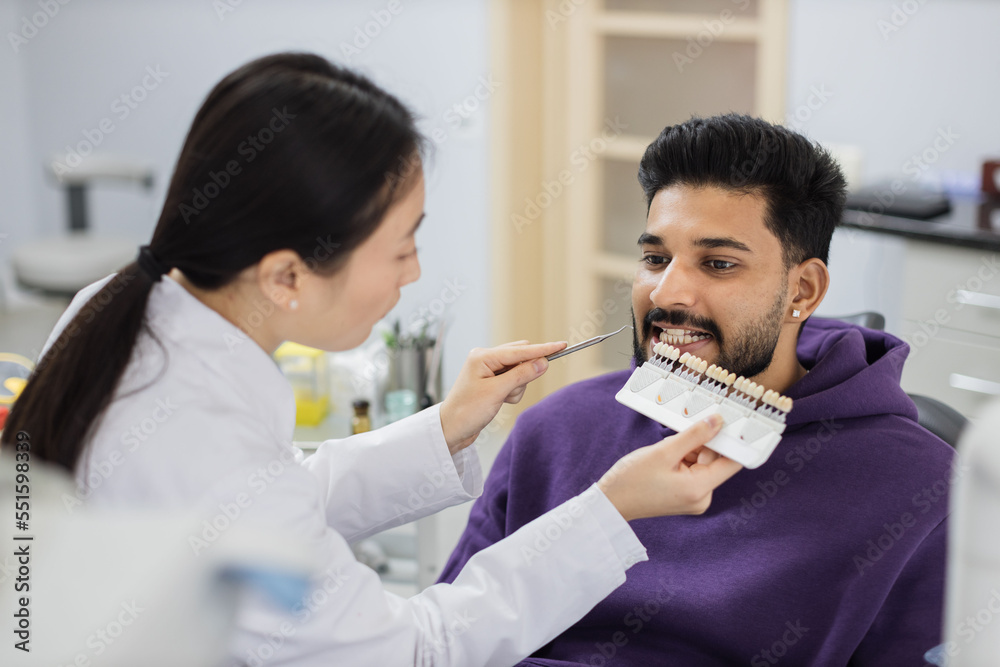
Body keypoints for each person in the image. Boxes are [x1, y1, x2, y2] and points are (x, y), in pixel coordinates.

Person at [0, 53, 743, 666]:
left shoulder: (128, 301)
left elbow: (268, 498)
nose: (413, 273)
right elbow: (416, 652)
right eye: (401, 246)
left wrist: (445, 426)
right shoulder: (197, 428)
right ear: (287, 275)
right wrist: (610, 513)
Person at [440, 114, 956, 666]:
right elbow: (440, 641)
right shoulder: (556, 428)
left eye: (717, 263)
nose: (667, 291)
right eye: (656, 258)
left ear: (801, 290)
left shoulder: (924, 492)